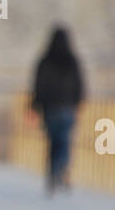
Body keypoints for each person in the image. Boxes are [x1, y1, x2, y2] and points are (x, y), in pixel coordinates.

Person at [29, 26, 85, 193]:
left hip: (50, 109)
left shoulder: (45, 60)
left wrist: (35, 106)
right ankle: (61, 170)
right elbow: (79, 85)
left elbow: (38, 85)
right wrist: (78, 103)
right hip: (67, 108)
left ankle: (53, 173)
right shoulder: (72, 61)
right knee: (64, 141)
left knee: (53, 143)